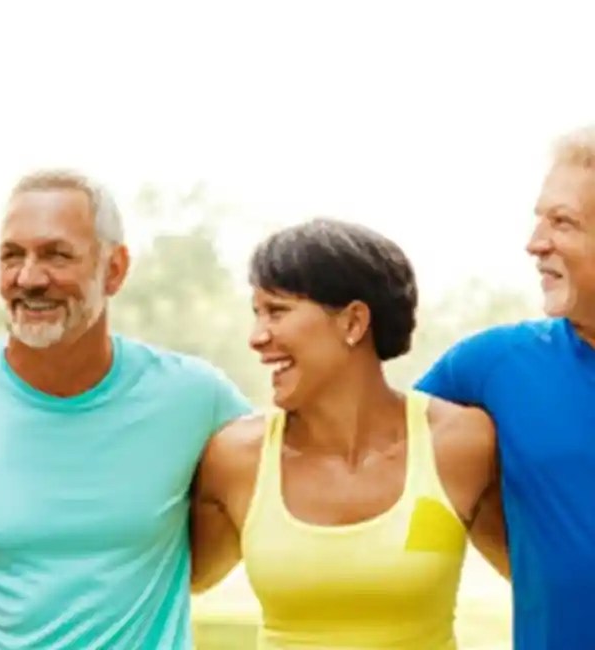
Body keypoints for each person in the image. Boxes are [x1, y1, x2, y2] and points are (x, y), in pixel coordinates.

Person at [0, 170, 251, 649]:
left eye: (56, 254)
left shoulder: (195, 397)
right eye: (12, 255)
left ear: (115, 269)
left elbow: (287, 469)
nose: (29, 277)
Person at [189, 219, 505, 648]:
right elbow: (166, 586)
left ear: (353, 322)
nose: (257, 337)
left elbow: (548, 580)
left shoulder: (460, 444)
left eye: (276, 311)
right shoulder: (236, 458)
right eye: (257, 313)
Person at [415, 124, 595, 649]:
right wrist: (520, 551)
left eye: (563, 222)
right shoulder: (488, 368)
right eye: (539, 219)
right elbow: (385, 449)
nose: (535, 243)